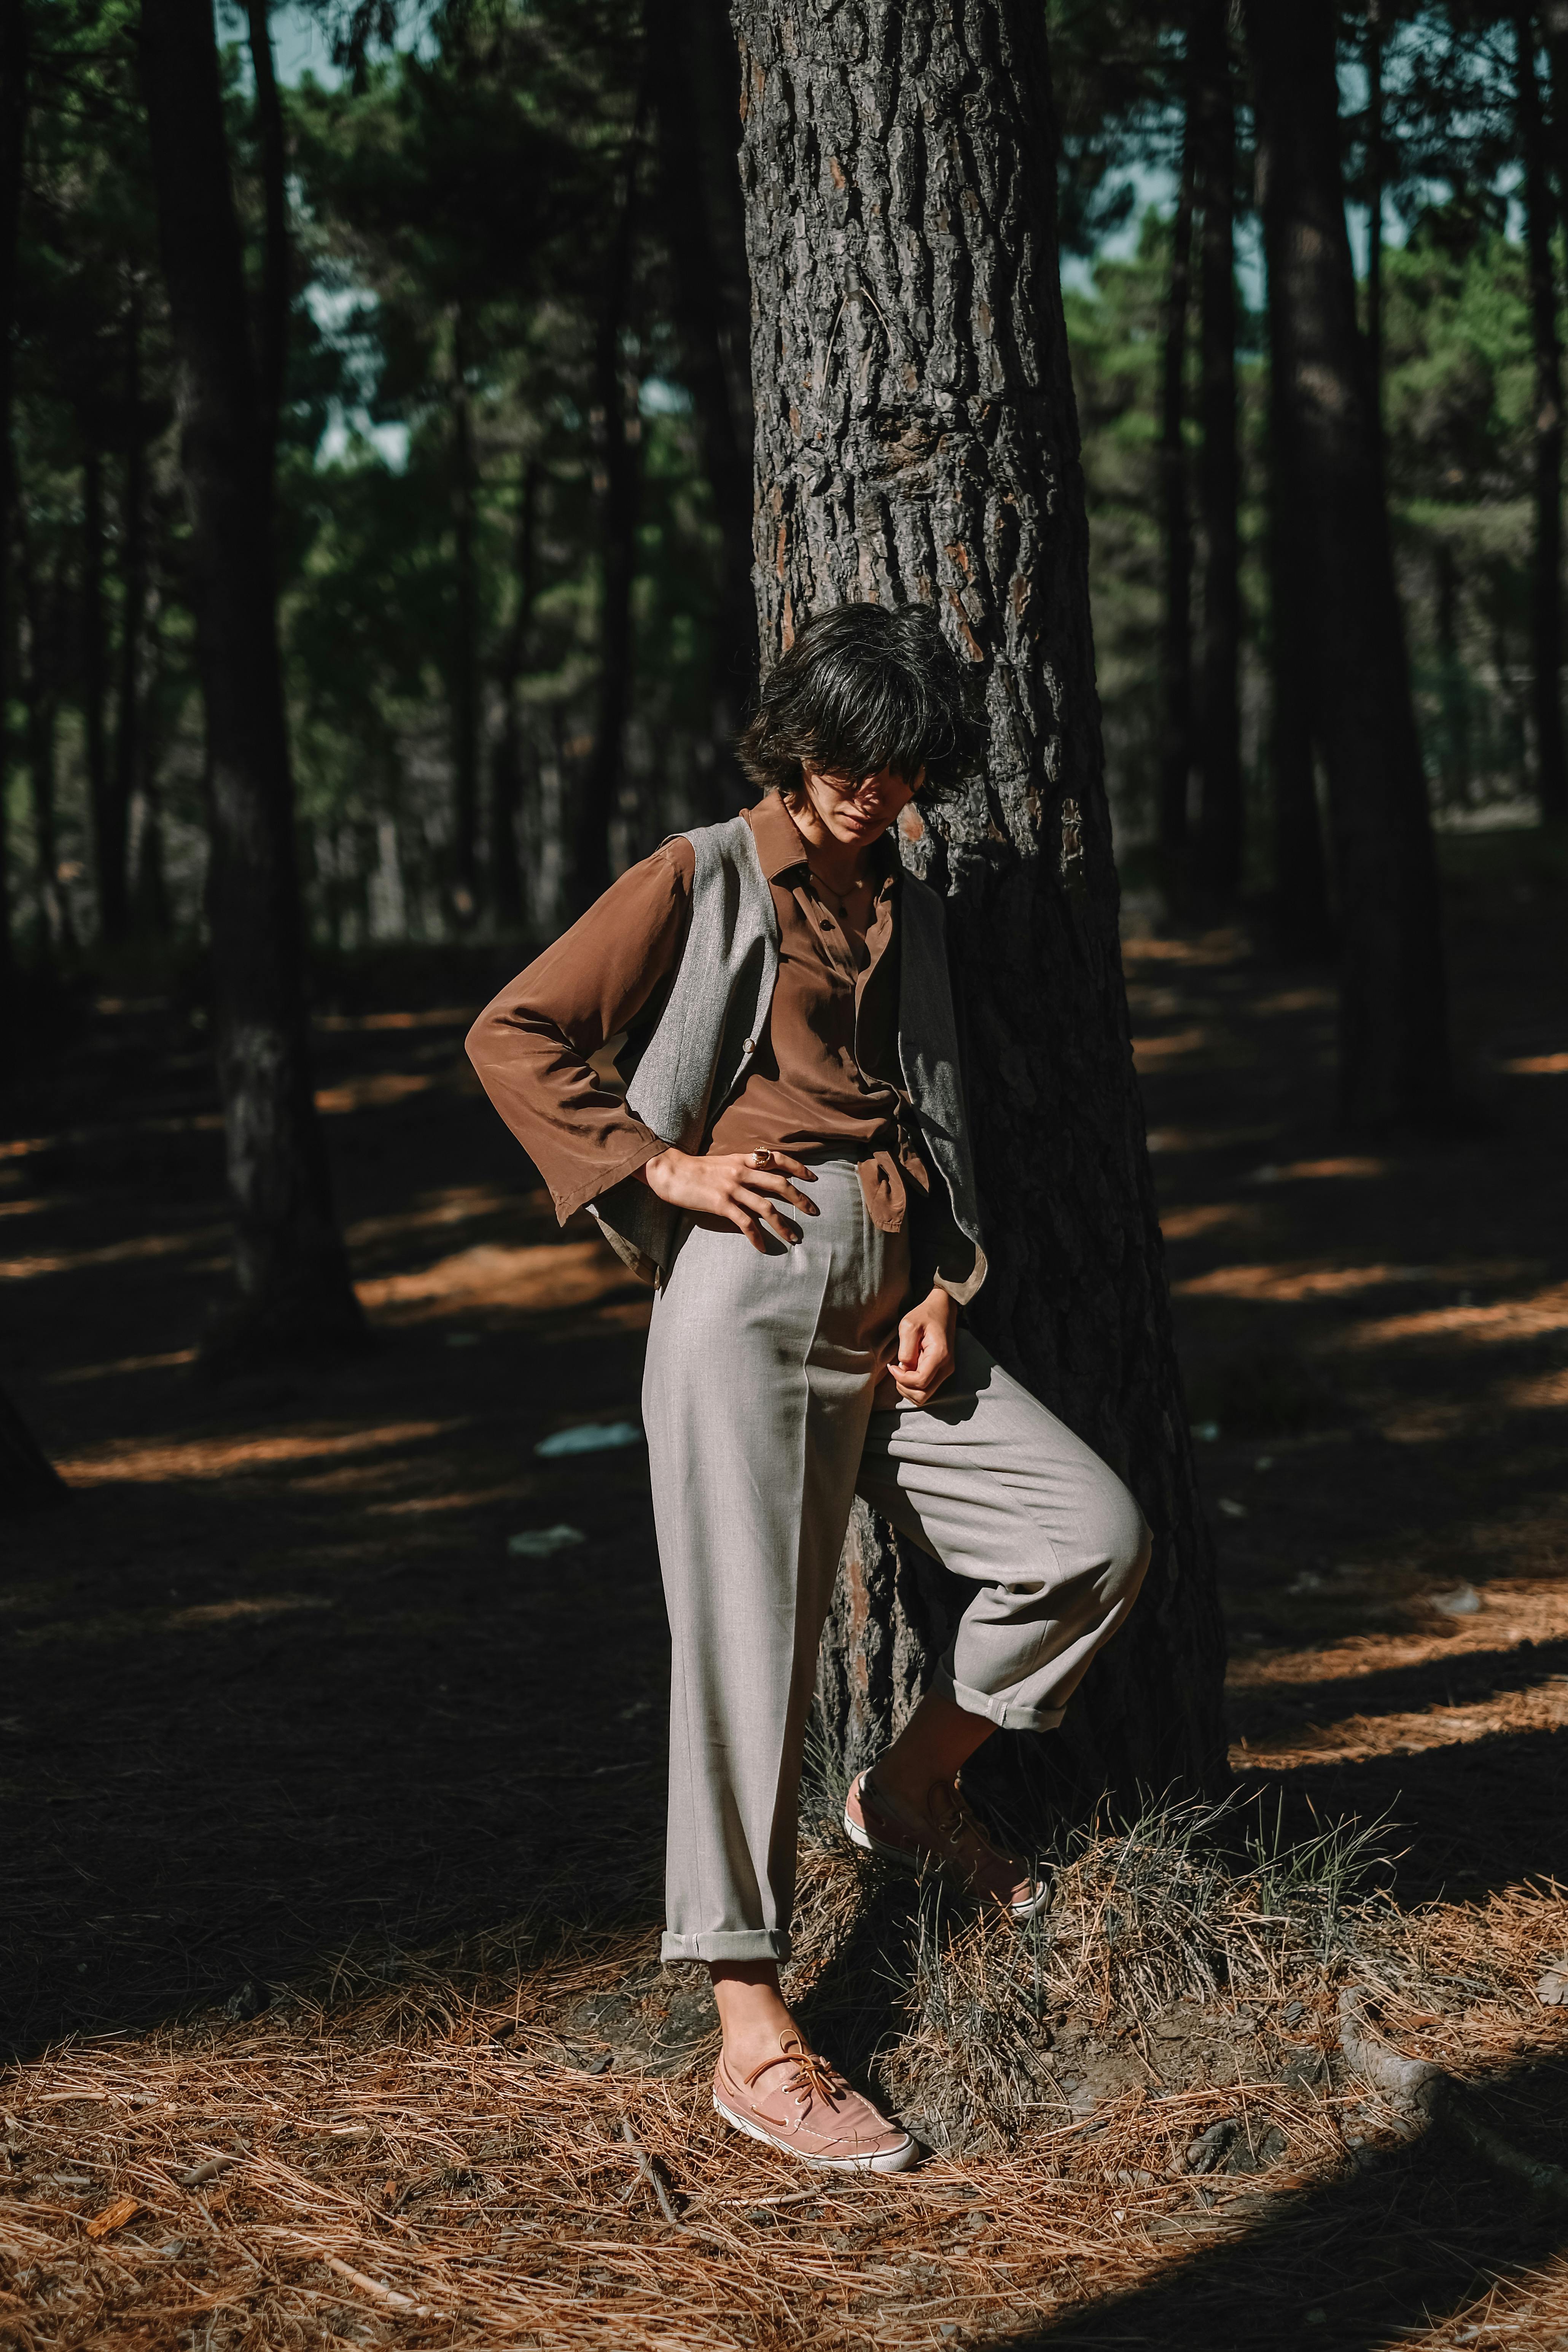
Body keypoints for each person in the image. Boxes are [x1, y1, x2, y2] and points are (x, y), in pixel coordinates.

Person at [467, 603, 1151, 2175]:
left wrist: (938, 1284)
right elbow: (514, 1032)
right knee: (743, 1648)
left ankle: (910, 1789)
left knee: (1087, 1534)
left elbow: (911, 1118)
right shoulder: (699, 870)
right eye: (850, 754)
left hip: (893, 1300)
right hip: (742, 1300)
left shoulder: (900, 891)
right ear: (798, 737)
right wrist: (664, 1167)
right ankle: (749, 2025)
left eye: (906, 763)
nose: (873, 784)